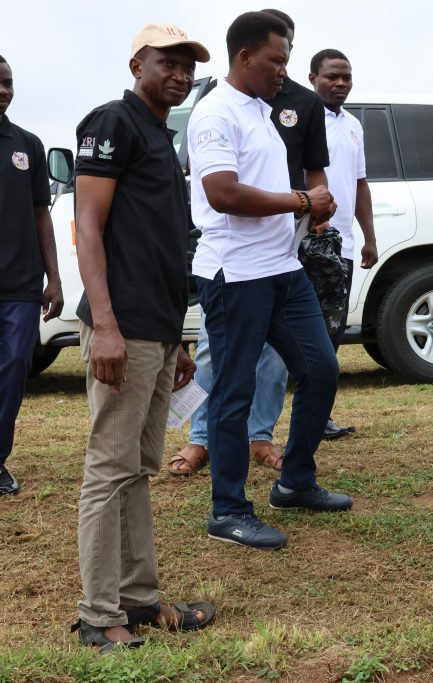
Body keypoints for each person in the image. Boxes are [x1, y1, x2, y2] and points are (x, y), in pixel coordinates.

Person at [72, 24, 216, 652]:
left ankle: (138, 599)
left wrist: (179, 340)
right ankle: (97, 615)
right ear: (138, 63)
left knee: (138, 466)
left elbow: (160, 247)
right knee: (110, 469)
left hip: (157, 330)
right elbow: (87, 226)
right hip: (120, 327)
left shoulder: (161, 133)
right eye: (168, 62)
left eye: (188, 65)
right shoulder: (113, 122)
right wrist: (105, 324)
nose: (180, 74)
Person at [188, 11, 351, 552]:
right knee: (233, 393)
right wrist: (303, 200)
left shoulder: (263, 109)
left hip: (282, 267)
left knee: (321, 369)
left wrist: (304, 212)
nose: (284, 71)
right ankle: (228, 511)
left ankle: (295, 481)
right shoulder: (215, 113)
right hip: (236, 275)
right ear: (244, 57)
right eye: (277, 61)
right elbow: (222, 193)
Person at [0, 54, 63, 496]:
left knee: (14, 368)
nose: (4, 91)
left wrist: (54, 279)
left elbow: (43, 214)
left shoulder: (28, 145)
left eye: (8, 83)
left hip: (20, 284)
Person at [307, 49, 378, 346]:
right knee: (305, 329)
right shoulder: (303, 117)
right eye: (331, 76)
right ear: (313, 78)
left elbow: (359, 183)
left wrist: (370, 238)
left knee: (333, 330)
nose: (341, 83)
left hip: (343, 246)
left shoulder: (353, 124)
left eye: (346, 77)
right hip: (307, 243)